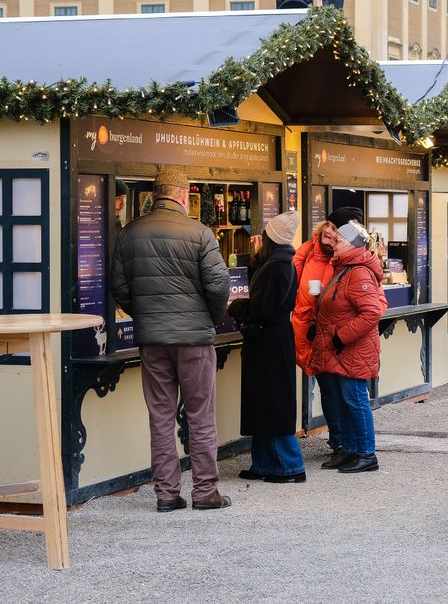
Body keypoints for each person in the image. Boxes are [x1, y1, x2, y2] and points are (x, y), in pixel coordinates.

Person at [110, 166, 231, 512]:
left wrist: (144, 314)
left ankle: (166, 494)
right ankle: (205, 491)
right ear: (183, 195)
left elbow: (119, 287)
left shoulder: (130, 233)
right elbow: (219, 285)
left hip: (152, 340)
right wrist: (210, 318)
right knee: (200, 415)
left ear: (155, 195)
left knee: (160, 416)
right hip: (194, 339)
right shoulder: (199, 233)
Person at [228, 211, 304, 483]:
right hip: (273, 339)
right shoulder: (280, 263)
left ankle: (289, 466)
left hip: (269, 341)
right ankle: (264, 464)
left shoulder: (276, 266)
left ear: (271, 237)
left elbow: (261, 308)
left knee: (271, 402)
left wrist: (235, 307)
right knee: (266, 401)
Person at [310, 222, 386, 474]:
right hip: (342, 349)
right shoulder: (345, 268)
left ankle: (366, 454)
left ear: (353, 245)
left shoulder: (358, 272)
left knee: (355, 400)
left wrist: (340, 337)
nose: (333, 244)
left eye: (339, 241)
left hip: (351, 349)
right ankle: (351, 451)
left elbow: (372, 312)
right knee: (346, 401)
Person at [292, 207, 363, 466]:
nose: (329, 232)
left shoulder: (347, 260)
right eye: (328, 226)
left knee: (343, 390)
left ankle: (349, 444)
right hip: (311, 329)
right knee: (328, 388)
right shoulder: (306, 251)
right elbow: (289, 282)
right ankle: (339, 442)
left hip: (336, 333)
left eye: (335, 229)